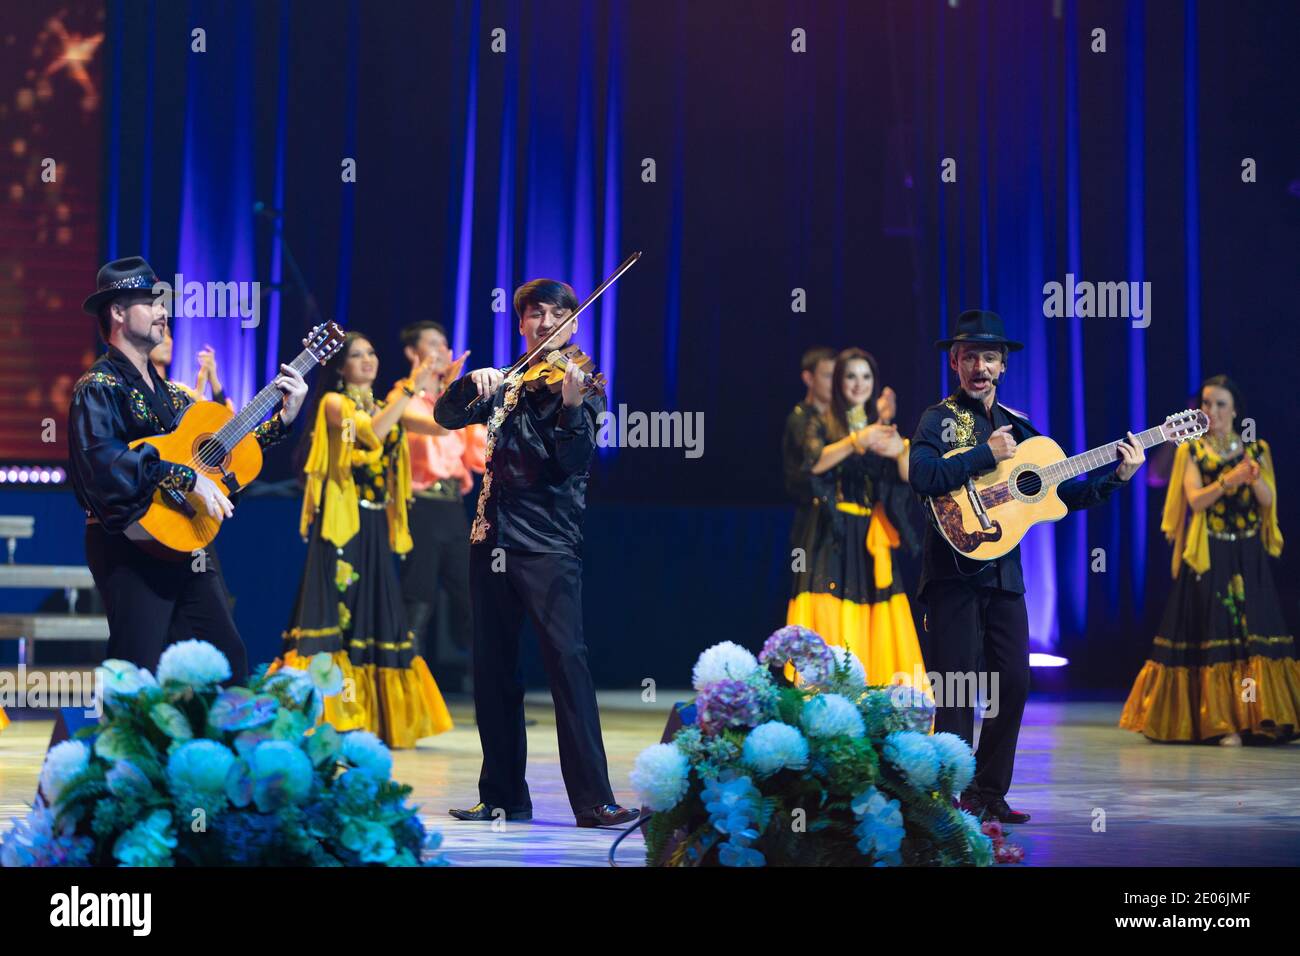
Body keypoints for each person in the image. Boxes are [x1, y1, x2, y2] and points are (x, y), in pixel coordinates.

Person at [909, 310, 1145, 824]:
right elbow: (922, 475)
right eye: (969, 355)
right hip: (952, 571)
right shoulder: (937, 419)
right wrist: (981, 455)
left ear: (1003, 365)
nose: (979, 365)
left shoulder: (1023, 429)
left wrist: (1119, 476)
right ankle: (945, 799)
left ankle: (988, 793)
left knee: (1013, 681)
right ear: (955, 361)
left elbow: (1063, 494)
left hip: (1005, 576)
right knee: (955, 687)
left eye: (989, 356)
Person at [435, 278, 638, 829]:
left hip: (547, 543)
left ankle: (595, 800)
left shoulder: (584, 384)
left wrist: (571, 408)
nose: (544, 323)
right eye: (533, 315)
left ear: (573, 321)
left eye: (555, 313)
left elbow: (572, 464)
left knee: (566, 666)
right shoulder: (506, 379)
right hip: (490, 537)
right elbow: (446, 418)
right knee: (493, 671)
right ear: (520, 323)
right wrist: (466, 384)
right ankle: (502, 796)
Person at [68, 256, 306, 682]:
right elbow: (103, 464)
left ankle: (215, 749)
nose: (164, 311)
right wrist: (184, 477)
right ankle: (123, 749)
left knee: (226, 658)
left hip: (186, 541)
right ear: (118, 313)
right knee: (137, 667)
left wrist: (281, 423)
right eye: (151, 302)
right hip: (131, 542)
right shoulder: (99, 388)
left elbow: (220, 454)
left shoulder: (174, 397)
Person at [277, 332, 454, 748]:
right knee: (335, 615)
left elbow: (441, 428)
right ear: (340, 368)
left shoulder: (383, 405)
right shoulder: (334, 404)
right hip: (342, 524)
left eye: (372, 352)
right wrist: (409, 388)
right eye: (357, 355)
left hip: (375, 524)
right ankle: (328, 714)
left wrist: (445, 391)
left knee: (372, 616)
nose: (369, 360)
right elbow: (370, 433)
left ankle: (372, 717)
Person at [1121, 375, 1299, 743]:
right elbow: (1195, 500)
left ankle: (1258, 718)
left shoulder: (1256, 448)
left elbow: (1269, 501)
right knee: (1213, 637)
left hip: (1247, 555)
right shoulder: (1194, 451)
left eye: (1219, 404)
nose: (1211, 411)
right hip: (1209, 554)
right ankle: (1220, 723)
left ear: (1235, 410)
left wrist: (1252, 478)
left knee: (1253, 637)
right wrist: (1227, 481)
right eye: (1206, 403)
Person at [786, 348, 922, 686]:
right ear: (838, 382)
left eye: (866, 376)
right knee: (830, 611)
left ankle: (879, 697)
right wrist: (855, 441)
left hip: (870, 535)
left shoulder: (881, 424)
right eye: (850, 376)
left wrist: (901, 449)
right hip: (831, 534)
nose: (858, 384)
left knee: (880, 613)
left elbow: (907, 476)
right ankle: (825, 695)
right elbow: (813, 463)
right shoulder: (820, 421)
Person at [394, 320, 484, 691]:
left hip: (453, 508)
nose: (441, 351)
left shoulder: (453, 401)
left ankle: (490, 693)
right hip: (421, 506)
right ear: (413, 354)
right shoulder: (402, 396)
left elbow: (480, 456)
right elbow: (436, 426)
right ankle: (407, 692)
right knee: (419, 597)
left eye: (444, 344)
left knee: (472, 596)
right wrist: (452, 394)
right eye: (431, 344)